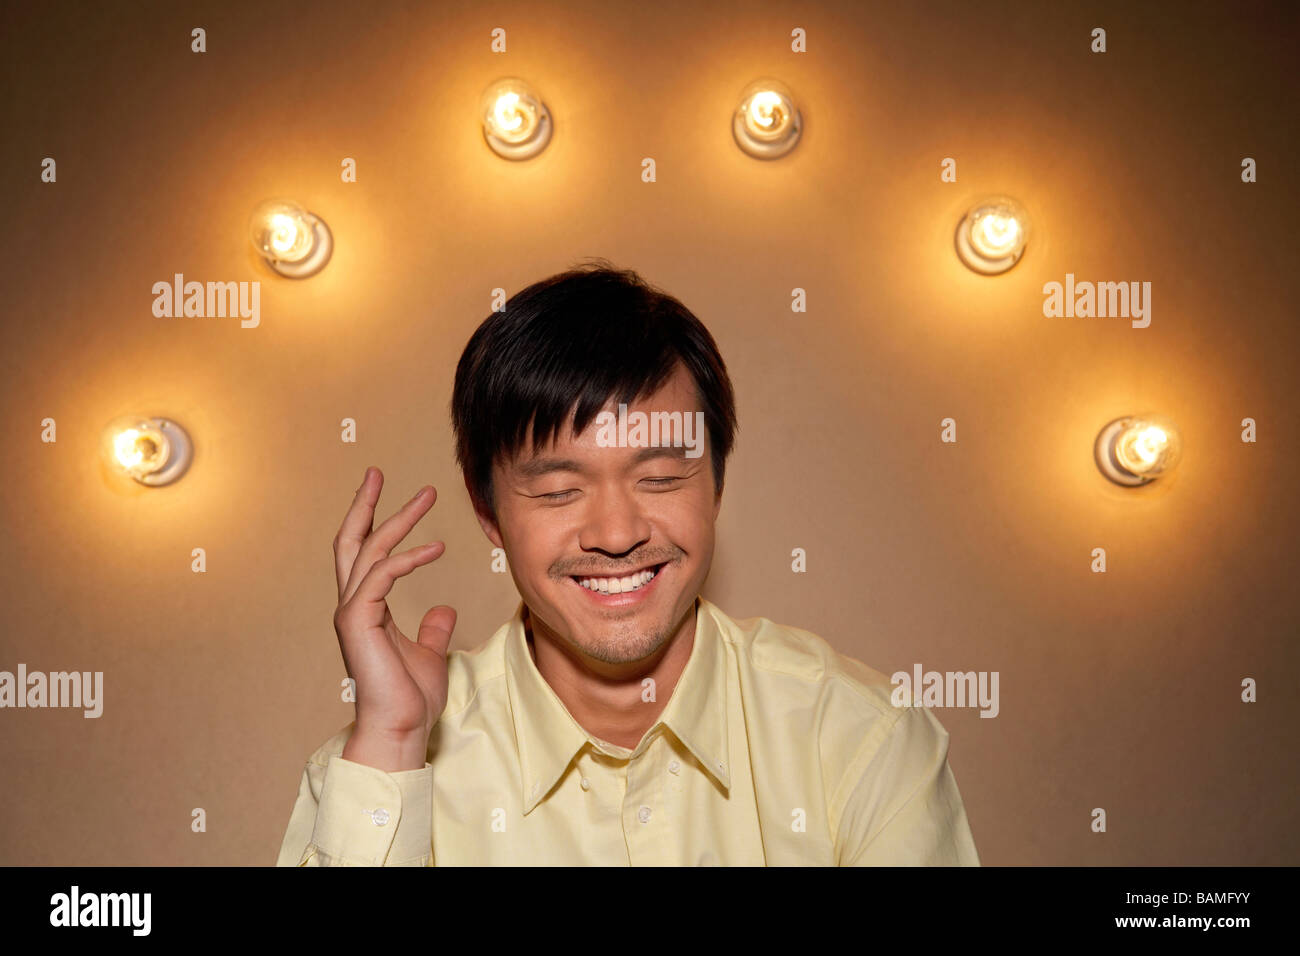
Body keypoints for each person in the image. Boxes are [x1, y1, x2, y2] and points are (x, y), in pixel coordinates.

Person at [276, 260, 980, 866]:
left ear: (717, 486)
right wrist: (395, 741)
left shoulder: (859, 737)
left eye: (662, 479)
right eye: (557, 490)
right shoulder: (373, 768)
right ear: (487, 512)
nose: (616, 533)